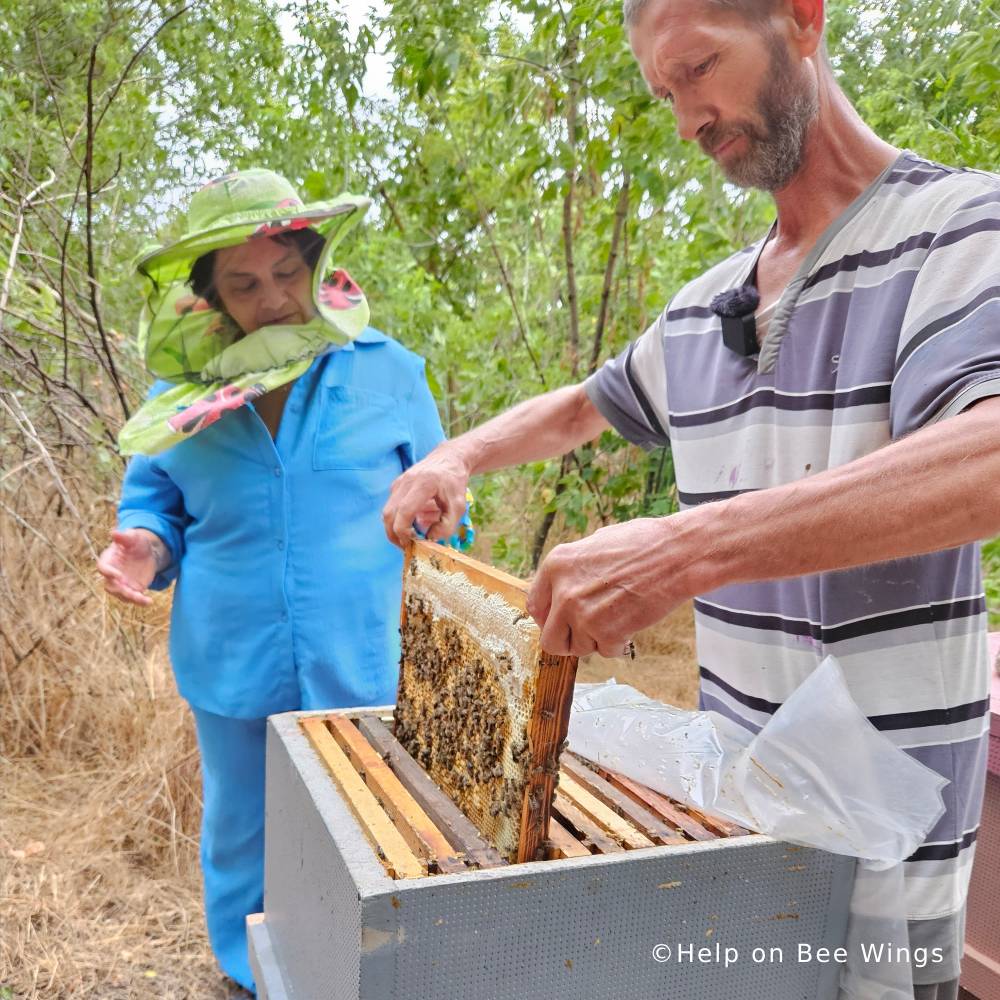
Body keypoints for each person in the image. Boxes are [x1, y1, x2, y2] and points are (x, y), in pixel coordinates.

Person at [382, 2, 1000, 997]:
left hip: (888, 853)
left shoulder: (960, 228)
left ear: (800, 19)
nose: (684, 119)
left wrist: (684, 549)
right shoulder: (709, 308)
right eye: (664, 93)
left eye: (698, 69)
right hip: (735, 832)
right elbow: (582, 406)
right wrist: (459, 453)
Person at [97, 169, 446, 994]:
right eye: (244, 284)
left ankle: (366, 976)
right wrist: (143, 549)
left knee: (371, 831)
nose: (274, 298)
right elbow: (155, 510)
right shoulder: (177, 404)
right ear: (213, 300)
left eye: (287, 273)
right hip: (233, 660)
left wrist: (439, 516)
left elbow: (443, 506)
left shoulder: (388, 371)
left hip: (362, 663)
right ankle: (250, 976)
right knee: (244, 838)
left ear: (316, 264)